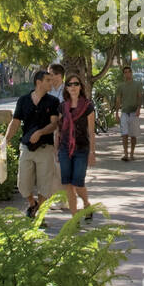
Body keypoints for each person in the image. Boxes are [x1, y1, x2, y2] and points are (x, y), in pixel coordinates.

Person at [5, 69, 62, 221]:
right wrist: (6, 139)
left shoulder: (53, 101)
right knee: (23, 183)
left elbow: (54, 124)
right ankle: (32, 203)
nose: (52, 83)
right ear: (39, 82)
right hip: (26, 148)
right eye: (48, 80)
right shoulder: (23, 100)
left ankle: (39, 216)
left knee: (45, 184)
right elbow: (15, 122)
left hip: (45, 148)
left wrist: (41, 133)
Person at [57, 73, 97, 216]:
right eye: (70, 84)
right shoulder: (62, 107)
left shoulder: (87, 106)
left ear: (81, 87)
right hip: (64, 149)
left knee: (78, 183)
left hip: (81, 149)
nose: (73, 87)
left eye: (76, 84)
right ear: (66, 88)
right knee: (67, 183)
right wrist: (57, 150)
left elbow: (91, 131)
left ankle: (86, 204)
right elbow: (59, 130)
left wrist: (92, 152)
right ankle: (74, 218)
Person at [115, 65, 143, 161]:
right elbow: (118, 100)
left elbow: (139, 97)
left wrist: (139, 108)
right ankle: (125, 153)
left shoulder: (137, 84)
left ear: (131, 73)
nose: (127, 74)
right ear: (123, 74)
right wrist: (116, 113)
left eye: (129, 72)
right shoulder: (120, 86)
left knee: (133, 135)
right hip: (124, 112)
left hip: (134, 112)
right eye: (125, 72)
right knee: (124, 134)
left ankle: (132, 153)